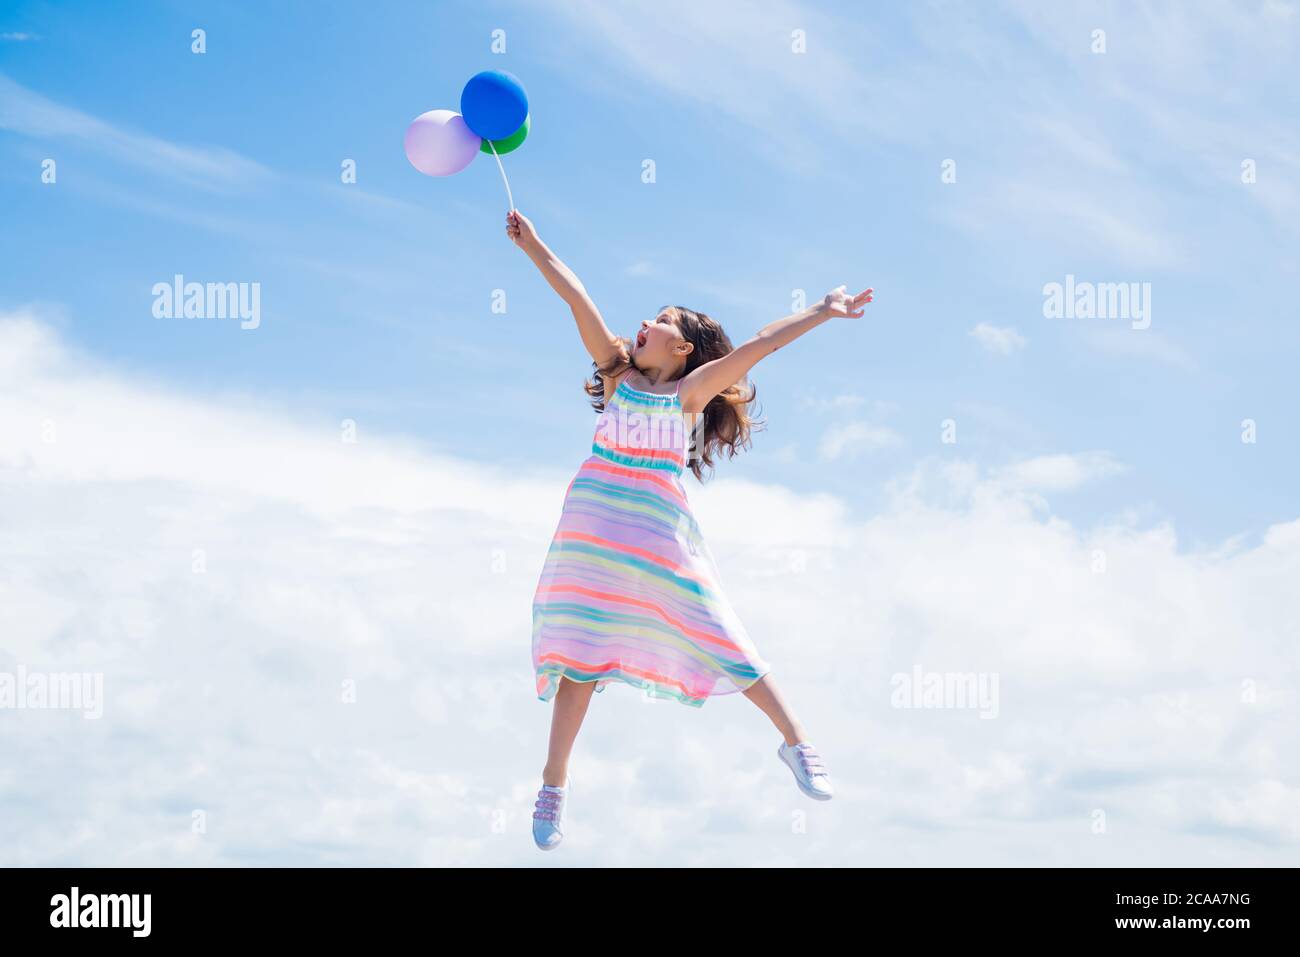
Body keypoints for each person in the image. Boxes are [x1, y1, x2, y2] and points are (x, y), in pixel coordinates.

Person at [507, 209, 872, 850]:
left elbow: (761, 344)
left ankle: (797, 742)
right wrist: (535, 245)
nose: (642, 324)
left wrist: (822, 309)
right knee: (578, 664)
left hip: (659, 543)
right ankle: (553, 783)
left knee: (721, 631)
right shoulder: (618, 375)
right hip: (590, 539)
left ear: (682, 351)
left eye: (661, 323)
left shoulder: (689, 396)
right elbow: (575, 294)